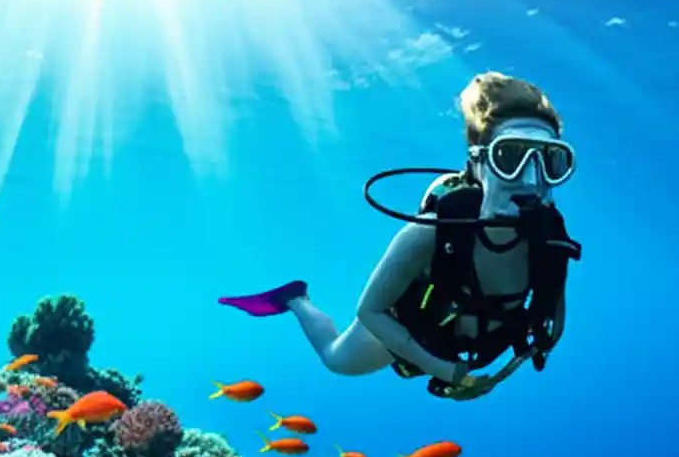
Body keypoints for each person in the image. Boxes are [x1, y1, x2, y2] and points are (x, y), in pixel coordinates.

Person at [219, 71, 581, 400]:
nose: (531, 179)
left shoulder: (551, 238)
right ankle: (296, 299)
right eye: (510, 157)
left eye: (550, 161)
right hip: (408, 323)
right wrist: (447, 372)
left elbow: (552, 306)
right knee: (336, 359)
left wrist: (507, 366)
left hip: (469, 338)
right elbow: (370, 310)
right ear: (478, 161)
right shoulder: (430, 232)